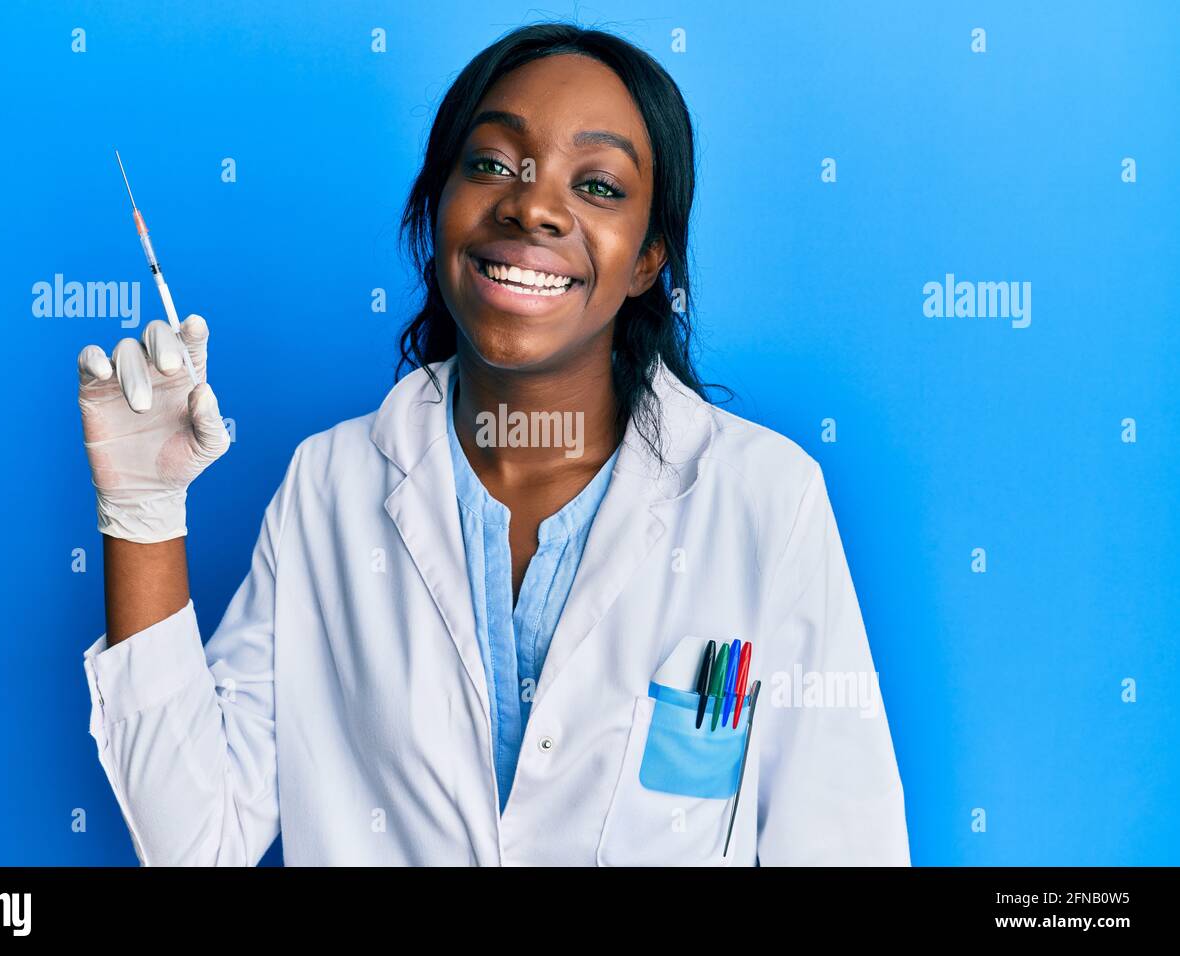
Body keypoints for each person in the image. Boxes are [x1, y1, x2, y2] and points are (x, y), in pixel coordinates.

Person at [76, 23, 910, 866]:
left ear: (649, 257)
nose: (533, 206)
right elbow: (195, 842)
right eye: (491, 164)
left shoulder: (764, 497)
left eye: (596, 184)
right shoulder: (328, 486)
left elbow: (846, 841)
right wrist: (142, 514)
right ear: (436, 211)